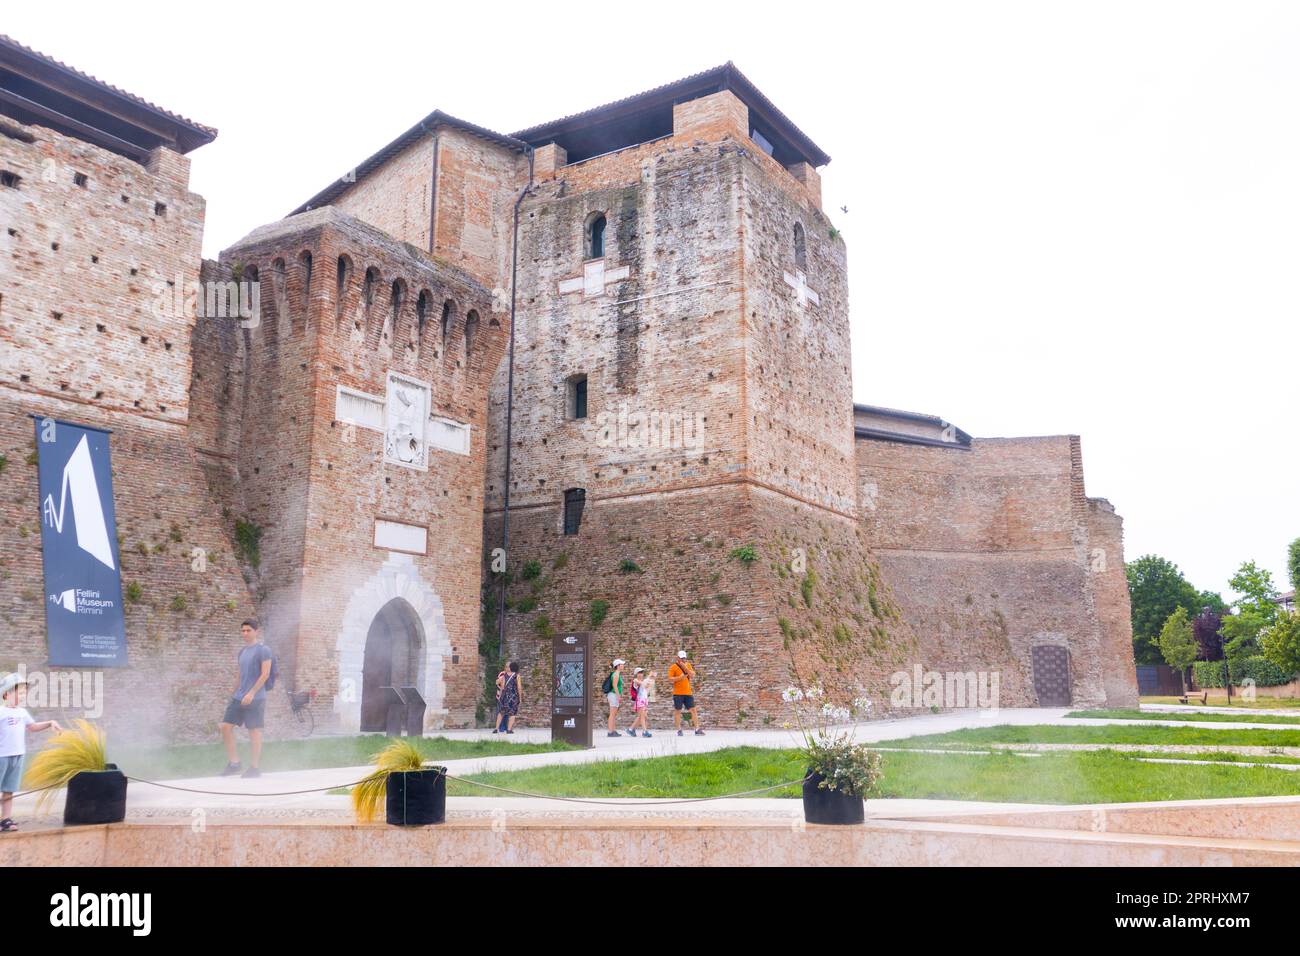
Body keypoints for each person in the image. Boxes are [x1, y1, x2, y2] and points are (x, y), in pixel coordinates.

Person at [1, 672, 62, 833]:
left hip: (18, 755)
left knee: (9, 789)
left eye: (23, 692)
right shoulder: (1, 712)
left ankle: (5, 819)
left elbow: (32, 727)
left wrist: (50, 723)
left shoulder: (22, 712)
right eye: (18, 692)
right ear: (6, 693)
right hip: (2, 756)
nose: (22, 695)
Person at [219, 619, 273, 778]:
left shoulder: (264, 650)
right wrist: (233, 691)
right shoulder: (242, 651)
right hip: (239, 697)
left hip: (256, 698)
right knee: (225, 727)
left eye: (248, 630)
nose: (245, 633)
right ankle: (234, 763)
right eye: (243, 631)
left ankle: (255, 768)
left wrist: (251, 693)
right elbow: (240, 674)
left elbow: (265, 674)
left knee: (253, 731)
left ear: (256, 631)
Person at [668, 650, 704, 736]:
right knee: (678, 711)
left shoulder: (688, 665)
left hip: (688, 693)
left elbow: (692, 675)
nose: (683, 660)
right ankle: (679, 730)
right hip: (678, 693)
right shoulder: (673, 667)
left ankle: (697, 729)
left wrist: (685, 668)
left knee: (693, 710)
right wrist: (679, 678)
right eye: (681, 658)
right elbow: (670, 679)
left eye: (684, 658)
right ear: (678, 658)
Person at [497, 662, 521, 734]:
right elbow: (519, 687)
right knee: (512, 713)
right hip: (513, 697)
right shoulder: (517, 675)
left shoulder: (504, 675)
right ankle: (509, 729)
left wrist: (500, 696)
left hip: (504, 696)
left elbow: (501, 686)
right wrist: (520, 697)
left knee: (501, 712)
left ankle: (496, 729)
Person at [628, 667, 653, 738]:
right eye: (639, 673)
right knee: (642, 716)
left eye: (641, 673)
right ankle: (645, 732)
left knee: (643, 717)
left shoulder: (643, 680)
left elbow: (648, 686)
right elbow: (644, 684)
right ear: (636, 674)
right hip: (639, 700)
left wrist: (649, 679)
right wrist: (648, 678)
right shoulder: (635, 680)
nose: (640, 674)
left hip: (644, 700)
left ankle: (631, 729)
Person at [605, 659, 626, 737]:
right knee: (612, 714)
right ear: (618, 666)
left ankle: (613, 730)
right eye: (622, 664)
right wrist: (618, 696)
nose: (623, 666)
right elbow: (614, 685)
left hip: (614, 695)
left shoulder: (617, 674)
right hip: (613, 695)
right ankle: (610, 732)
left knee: (613, 714)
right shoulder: (616, 674)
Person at [492, 664, 510, 733]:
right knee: (500, 711)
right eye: (507, 667)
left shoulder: (513, 675)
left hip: (509, 696)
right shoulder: (502, 674)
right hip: (501, 696)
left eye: (509, 667)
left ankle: (505, 727)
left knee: (507, 712)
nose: (508, 668)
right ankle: (501, 727)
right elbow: (497, 682)